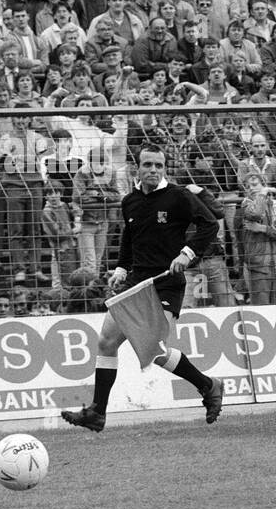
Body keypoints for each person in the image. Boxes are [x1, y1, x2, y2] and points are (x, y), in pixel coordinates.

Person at [61, 146, 224, 432]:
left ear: (164, 168)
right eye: (147, 164)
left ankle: (208, 385)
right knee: (106, 342)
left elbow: (210, 225)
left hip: (167, 284)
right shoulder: (130, 201)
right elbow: (130, 236)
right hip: (137, 284)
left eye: (158, 165)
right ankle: (97, 412)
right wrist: (122, 269)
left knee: (155, 351)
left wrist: (186, 254)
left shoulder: (178, 196)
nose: (153, 170)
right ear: (137, 167)